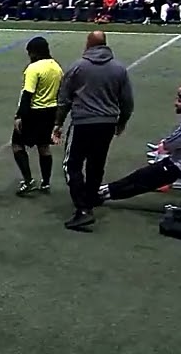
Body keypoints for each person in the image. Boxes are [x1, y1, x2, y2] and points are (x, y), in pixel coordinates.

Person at [51, 31, 134, 230]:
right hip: (107, 123)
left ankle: (82, 209)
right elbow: (127, 101)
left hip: (82, 123)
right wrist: (122, 121)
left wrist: (58, 124)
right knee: (96, 164)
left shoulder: (77, 67)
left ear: (88, 43)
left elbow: (64, 99)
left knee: (72, 165)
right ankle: (91, 197)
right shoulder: (119, 69)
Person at [97, 87, 181, 204]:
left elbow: (169, 145)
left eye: (180, 101)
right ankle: (105, 189)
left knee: (143, 183)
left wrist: (164, 144)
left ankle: (102, 196)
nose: (175, 104)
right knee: (140, 174)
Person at [13, 36, 63, 194]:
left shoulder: (33, 69)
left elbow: (27, 94)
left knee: (17, 145)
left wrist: (19, 116)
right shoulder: (57, 67)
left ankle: (28, 181)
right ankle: (46, 182)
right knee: (44, 147)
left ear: (34, 52)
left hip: (34, 112)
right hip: (51, 112)